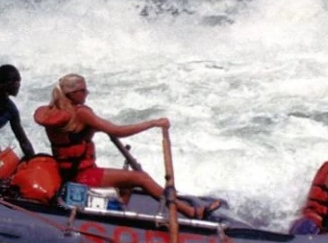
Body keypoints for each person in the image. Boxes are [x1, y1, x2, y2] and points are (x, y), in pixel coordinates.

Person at [36, 73, 219, 219]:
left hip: (68, 173)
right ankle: (191, 212)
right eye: (84, 90)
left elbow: (73, 139)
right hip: (83, 176)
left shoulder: (52, 113)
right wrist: (153, 123)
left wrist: (92, 131)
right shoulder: (81, 114)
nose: (87, 94)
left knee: (127, 182)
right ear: (73, 94)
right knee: (141, 179)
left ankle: (117, 215)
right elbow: (117, 131)